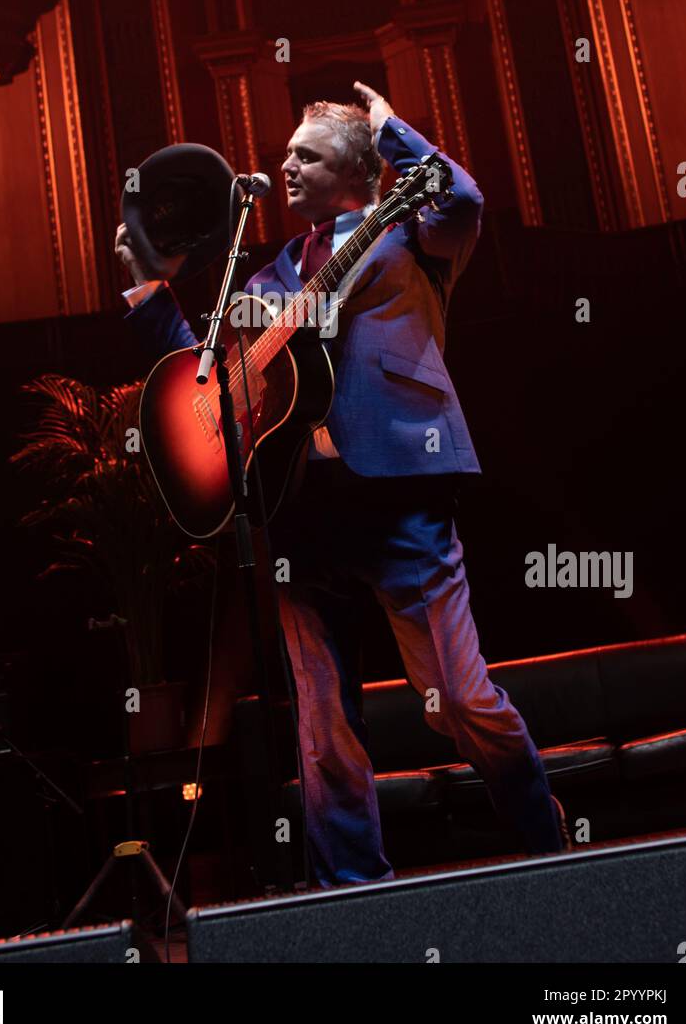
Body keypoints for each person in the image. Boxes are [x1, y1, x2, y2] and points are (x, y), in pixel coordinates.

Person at [115, 81, 569, 887]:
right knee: (322, 730)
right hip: (296, 511)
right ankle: (354, 898)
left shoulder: (416, 235)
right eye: (284, 154)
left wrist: (393, 128)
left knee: (459, 699)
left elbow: (460, 193)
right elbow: (210, 383)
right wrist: (154, 291)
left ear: (357, 168)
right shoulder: (269, 277)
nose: (282, 166)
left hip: (399, 490)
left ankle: (548, 844)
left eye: (305, 154)